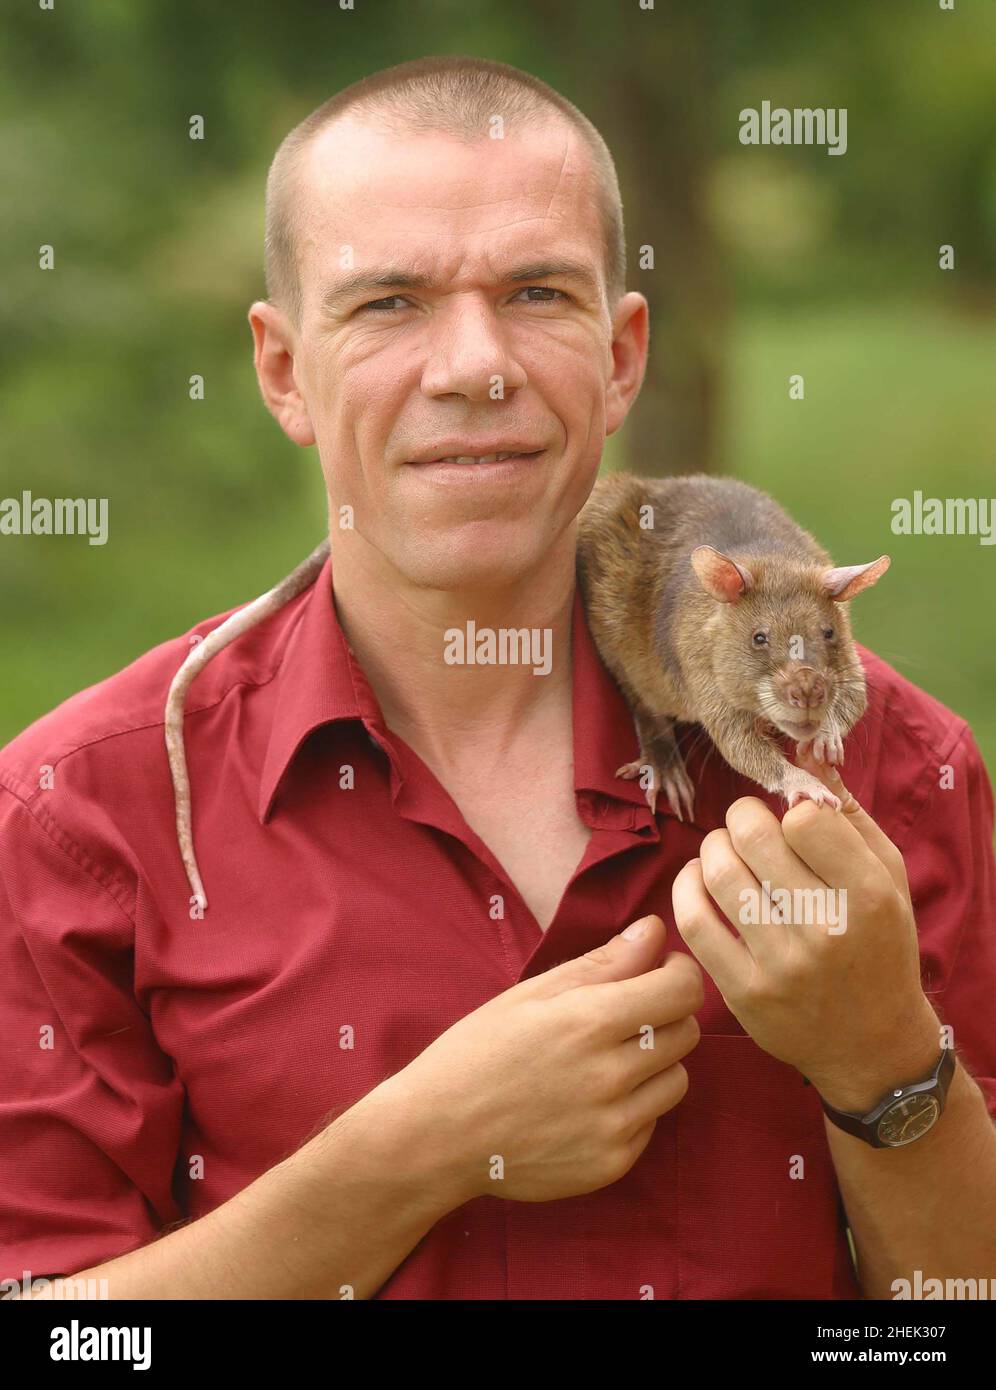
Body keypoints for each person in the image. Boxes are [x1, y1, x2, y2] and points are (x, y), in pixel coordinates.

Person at [2, 55, 995, 1302]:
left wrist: (887, 1063)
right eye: (387, 305)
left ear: (623, 353)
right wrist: (412, 1152)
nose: (475, 365)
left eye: (535, 292)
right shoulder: (82, 817)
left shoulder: (900, 772)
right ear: (280, 371)